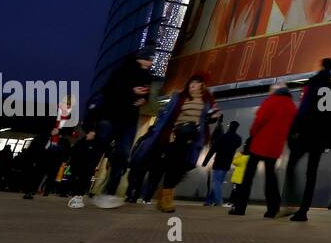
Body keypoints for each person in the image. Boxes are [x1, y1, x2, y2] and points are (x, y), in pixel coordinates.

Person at [140, 74, 221, 213]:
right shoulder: (180, 97)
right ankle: (166, 199)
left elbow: (208, 119)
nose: (192, 85)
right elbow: (167, 115)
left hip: (194, 139)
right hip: (176, 136)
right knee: (173, 165)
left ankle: (164, 192)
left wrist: (214, 116)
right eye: (191, 82)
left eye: (196, 83)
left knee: (185, 166)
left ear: (202, 85)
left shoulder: (207, 100)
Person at [87, 52, 154, 208]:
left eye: (150, 60)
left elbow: (147, 93)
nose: (150, 63)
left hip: (129, 120)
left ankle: (110, 193)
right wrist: (131, 91)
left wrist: (143, 98)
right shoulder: (122, 70)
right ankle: (80, 188)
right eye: (147, 59)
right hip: (111, 117)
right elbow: (110, 90)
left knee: (122, 155)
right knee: (98, 152)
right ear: (139, 59)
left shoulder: (147, 76)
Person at [285, 58, 331, 222]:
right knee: (312, 173)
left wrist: (294, 128)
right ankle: (303, 211)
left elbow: (304, 108)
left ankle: (291, 200)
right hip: (320, 136)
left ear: (321, 66)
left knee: (291, 164)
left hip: (306, 132)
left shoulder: (313, 84)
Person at [229, 85, 296, 218]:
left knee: (248, 177)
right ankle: (273, 209)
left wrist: (253, 133)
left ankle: (240, 208)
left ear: (276, 91)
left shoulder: (271, 100)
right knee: (270, 177)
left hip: (259, 144)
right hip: (275, 146)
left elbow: (259, 120)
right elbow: (292, 126)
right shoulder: (292, 106)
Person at [202, 120, 242, 207]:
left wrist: (205, 161)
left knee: (216, 182)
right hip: (226, 163)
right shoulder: (238, 139)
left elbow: (213, 149)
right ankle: (210, 200)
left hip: (218, 162)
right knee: (217, 182)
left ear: (229, 126)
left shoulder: (222, 137)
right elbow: (237, 145)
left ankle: (218, 200)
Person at [66, 129, 102, 207]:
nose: (90, 136)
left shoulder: (95, 145)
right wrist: (70, 162)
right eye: (90, 134)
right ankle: (75, 195)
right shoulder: (80, 142)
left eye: (92, 135)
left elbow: (95, 157)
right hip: (76, 166)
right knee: (74, 180)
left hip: (87, 168)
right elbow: (73, 152)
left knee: (83, 182)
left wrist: (92, 166)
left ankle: (79, 196)